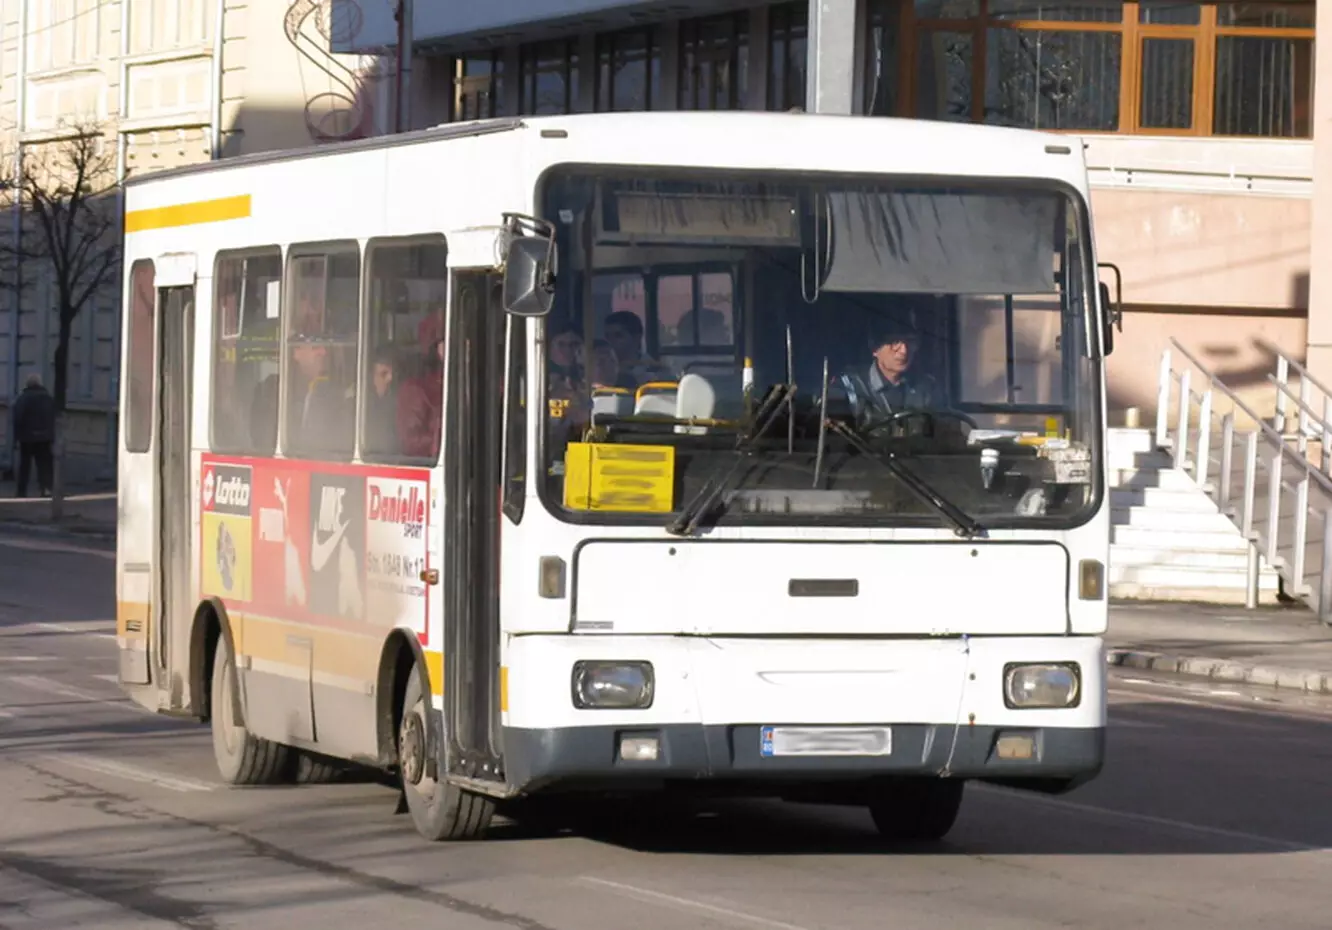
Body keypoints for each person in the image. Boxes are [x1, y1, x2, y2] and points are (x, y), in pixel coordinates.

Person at [838, 317, 939, 432]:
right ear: (875, 349)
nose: (904, 351)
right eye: (895, 342)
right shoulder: (849, 387)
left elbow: (948, 436)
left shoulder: (928, 388)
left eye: (910, 341)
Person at [397, 315, 445, 459]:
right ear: (437, 349)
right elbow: (410, 441)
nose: (466, 345)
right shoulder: (416, 389)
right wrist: (445, 441)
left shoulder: (482, 385)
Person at [11, 373, 55, 497]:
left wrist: (16, 438)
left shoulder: (23, 398)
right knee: (44, 465)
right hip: (45, 438)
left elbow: (17, 419)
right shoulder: (48, 398)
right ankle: (46, 488)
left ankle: (21, 491)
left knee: (25, 466)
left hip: (27, 438)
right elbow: (53, 418)